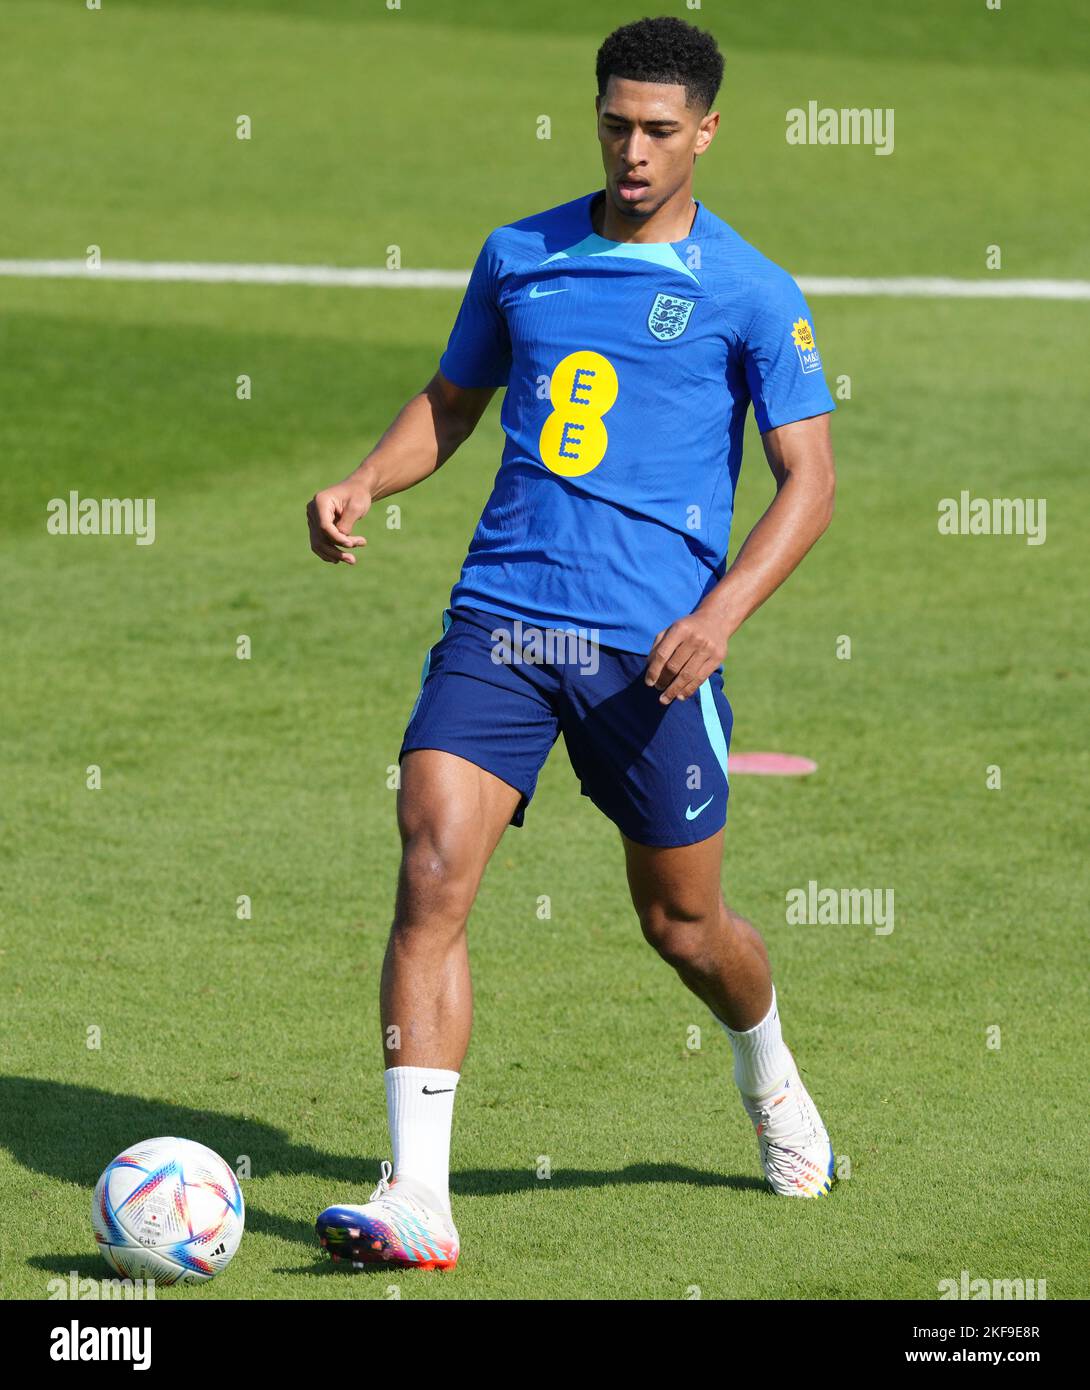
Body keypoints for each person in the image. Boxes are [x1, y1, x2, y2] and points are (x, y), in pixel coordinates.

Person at [308, 15, 837, 1271]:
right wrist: (368, 482)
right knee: (433, 862)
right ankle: (420, 1198)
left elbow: (806, 481)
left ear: (707, 130)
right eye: (615, 124)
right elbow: (453, 402)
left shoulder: (752, 290)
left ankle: (766, 1066)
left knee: (683, 926)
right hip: (500, 617)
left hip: (650, 650)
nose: (634, 150)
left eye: (660, 129)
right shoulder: (519, 253)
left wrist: (718, 617)